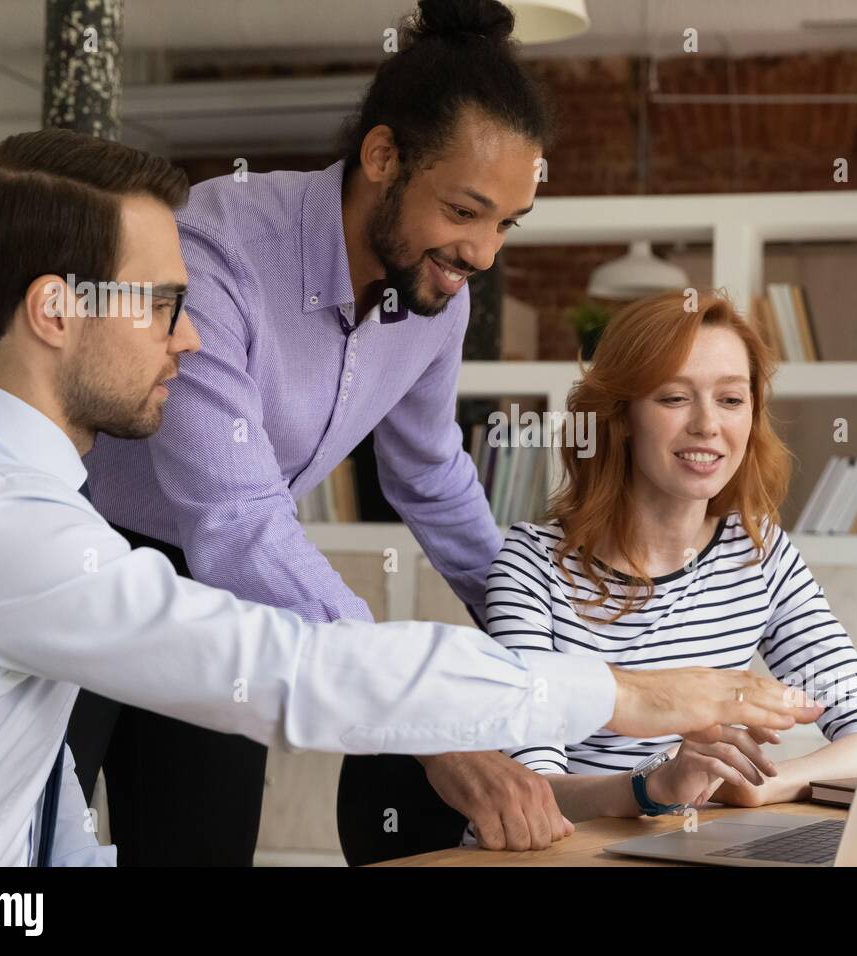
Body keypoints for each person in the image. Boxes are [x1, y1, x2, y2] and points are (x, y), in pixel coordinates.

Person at [0, 129, 824, 866]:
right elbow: (294, 667)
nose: (188, 342)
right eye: (163, 306)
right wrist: (619, 693)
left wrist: (540, 604)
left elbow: (31, 836)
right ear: (56, 311)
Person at [71, 0, 596, 864]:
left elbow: (428, 475)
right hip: (87, 558)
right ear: (383, 156)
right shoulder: (219, 252)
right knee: (17, 851)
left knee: (202, 849)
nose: (484, 254)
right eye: (465, 211)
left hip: (220, 597)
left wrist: (549, 640)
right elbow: (240, 521)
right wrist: (420, 714)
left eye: (506, 223)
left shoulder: (435, 296)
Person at [479, 290, 857, 824]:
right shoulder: (531, 567)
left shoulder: (759, 553)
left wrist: (764, 784)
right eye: (674, 398)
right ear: (620, 417)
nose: (707, 425)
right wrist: (654, 786)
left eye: (731, 400)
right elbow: (530, 790)